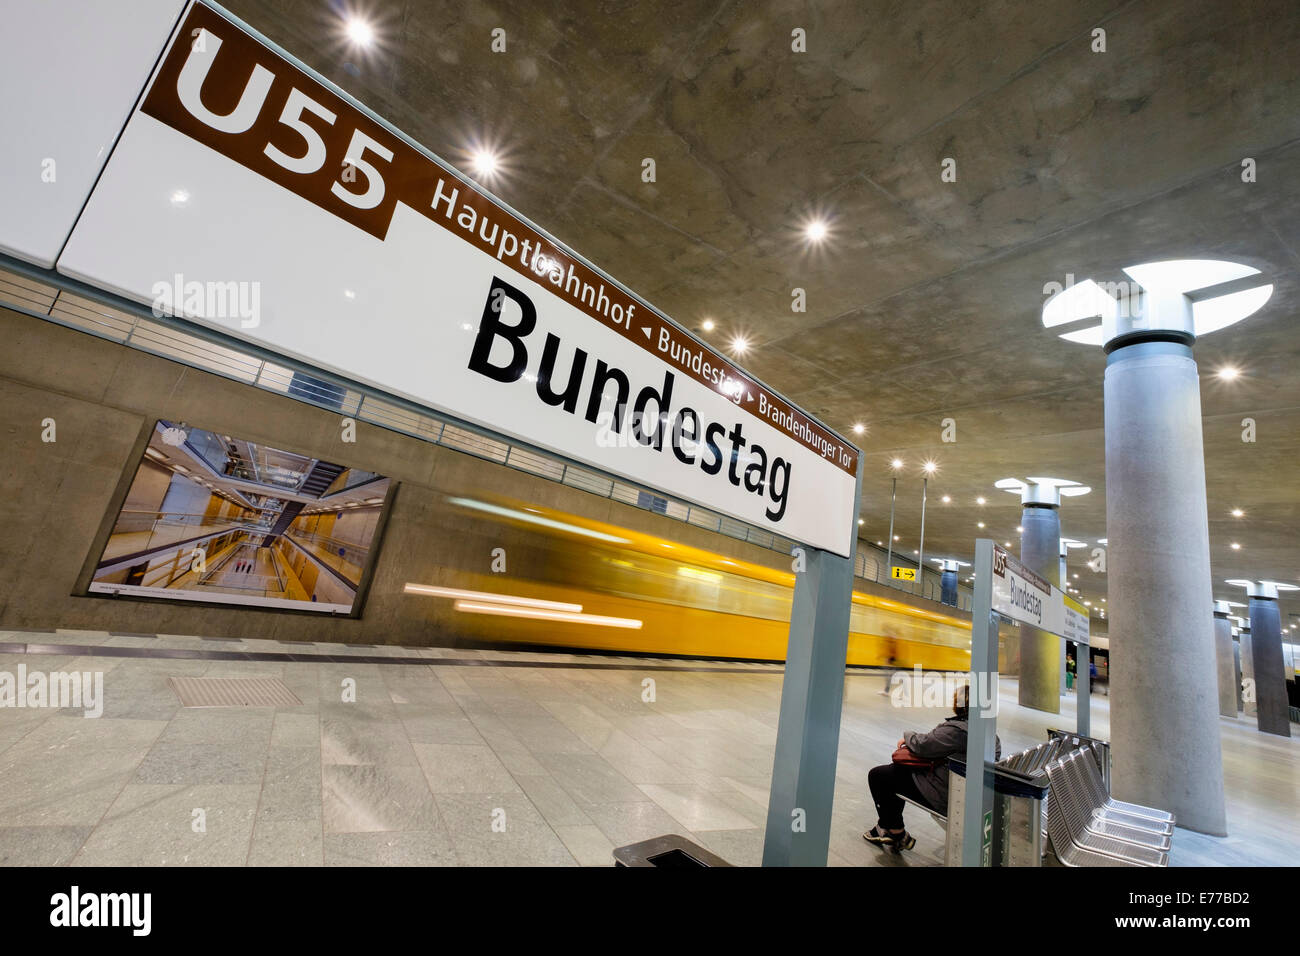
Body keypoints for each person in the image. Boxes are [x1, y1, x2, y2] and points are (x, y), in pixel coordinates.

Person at [863, 684, 1000, 851]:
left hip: (945, 793)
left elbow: (923, 745)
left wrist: (907, 736)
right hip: (969, 791)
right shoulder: (990, 733)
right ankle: (892, 829)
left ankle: (894, 831)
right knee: (896, 772)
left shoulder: (958, 731)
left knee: (879, 775)